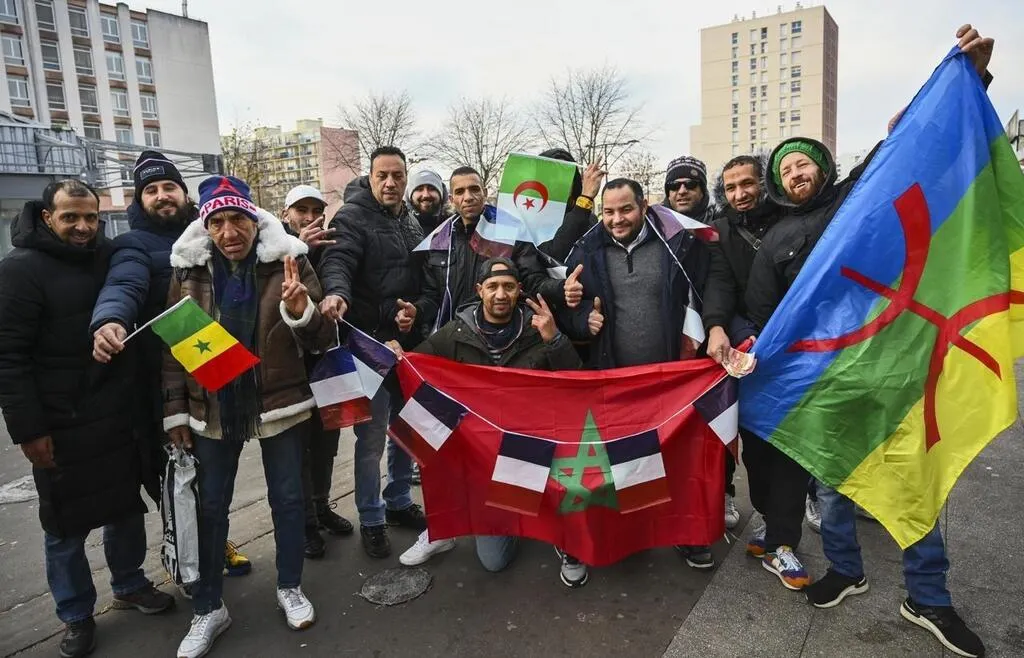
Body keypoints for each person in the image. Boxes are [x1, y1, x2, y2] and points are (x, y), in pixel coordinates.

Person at [744, 25, 992, 658]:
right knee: (831, 487)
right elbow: (764, 312)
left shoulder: (862, 195)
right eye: (785, 168)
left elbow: (917, 150)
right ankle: (847, 569)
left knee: (911, 478)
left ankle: (929, 598)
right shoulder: (773, 241)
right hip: (822, 381)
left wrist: (972, 77)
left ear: (824, 166)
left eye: (804, 162)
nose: (795, 172)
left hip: (888, 365)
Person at [0, 180, 174, 658]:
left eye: (90, 218)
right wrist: (28, 430)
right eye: (70, 217)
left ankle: (130, 583)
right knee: (65, 527)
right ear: (46, 217)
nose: (82, 227)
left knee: (124, 509)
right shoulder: (18, 271)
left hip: (118, 415)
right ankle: (75, 614)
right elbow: (8, 359)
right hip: (60, 424)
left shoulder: (108, 258)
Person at [165, 176, 336, 657]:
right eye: (216, 222)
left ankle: (289, 587)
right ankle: (208, 608)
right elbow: (176, 350)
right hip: (215, 408)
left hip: (279, 402)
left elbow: (321, 340)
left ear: (254, 219)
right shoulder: (187, 270)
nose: (228, 231)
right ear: (206, 227)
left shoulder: (290, 260)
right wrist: (176, 412)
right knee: (210, 507)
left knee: (287, 499)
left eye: (236, 218)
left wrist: (301, 312)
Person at [90, 151, 253, 584]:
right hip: (165, 381)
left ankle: (213, 543)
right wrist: (110, 319)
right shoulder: (133, 246)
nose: (162, 196)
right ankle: (187, 561)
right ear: (138, 199)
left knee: (210, 477)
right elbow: (123, 285)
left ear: (184, 193)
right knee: (176, 478)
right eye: (151, 189)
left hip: (214, 375)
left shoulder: (211, 232)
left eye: (169, 187)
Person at [388, 258, 582, 583]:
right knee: (494, 560)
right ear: (480, 291)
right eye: (492, 287)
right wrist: (399, 350)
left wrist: (554, 340)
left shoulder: (539, 328)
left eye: (508, 286)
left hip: (530, 449)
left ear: (519, 290)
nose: (500, 294)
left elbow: (577, 383)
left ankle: (564, 536)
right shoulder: (456, 331)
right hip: (481, 454)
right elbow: (417, 367)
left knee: (570, 460)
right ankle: (444, 526)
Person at [559, 177, 714, 572]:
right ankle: (581, 543)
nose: (616, 219)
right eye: (608, 211)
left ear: (644, 206)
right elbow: (560, 302)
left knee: (671, 461)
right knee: (596, 467)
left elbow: (705, 292)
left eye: (625, 209)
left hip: (666, 377)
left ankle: (683, 534)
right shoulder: (586, 248)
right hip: (608, 378)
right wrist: (579, 316)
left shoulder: (675, 244)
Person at [703, 153, 811, 589]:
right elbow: (721, 283)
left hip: (799, 350)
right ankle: (770, 524)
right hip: (750, 352)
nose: (740, 194)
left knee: (789, 450)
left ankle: (784, 542)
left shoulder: (794, 216)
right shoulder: (723, 229)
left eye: (747, 184)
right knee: (757, 448)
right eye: (730, 188)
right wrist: (715, 327)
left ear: (764, 182)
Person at [317, 146, 427, 558]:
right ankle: (372, 516)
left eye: (398, 175)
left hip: (405, 345)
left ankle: (398, 501)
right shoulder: (351, 216)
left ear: (406, 176)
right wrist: (336, 293)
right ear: (370, 175)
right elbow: (338, 261)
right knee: (371, 438)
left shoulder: (411, 220)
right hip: (367, 346)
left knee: (407, 432)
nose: (391, 183)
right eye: (383, 175)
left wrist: (413, 314)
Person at [280, 184, 354, 560]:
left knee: (327, 442)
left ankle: (322, 506)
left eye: (315, 210)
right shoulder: (278, 248)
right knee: (299, 450)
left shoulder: (335, 243)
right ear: (286, 214)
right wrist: (299, 245)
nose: (309, 217)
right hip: (293, 367)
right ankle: (306, 523)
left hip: (331, 357)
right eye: (301, 210)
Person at [404, 166, 566, 335]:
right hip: (452, 336)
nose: (468, 197)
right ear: (451, 199)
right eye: (460, 192)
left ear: (485, 192)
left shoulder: (511, 231)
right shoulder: (438, 240)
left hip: (502, 338)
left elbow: (533, 280)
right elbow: (432, 296)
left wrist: (561, 287)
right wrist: (418, 311)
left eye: (474, 189)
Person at [535, 148, 602, 262]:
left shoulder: (589, 219)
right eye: (552, 177)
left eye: (565, 177)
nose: (558, 184)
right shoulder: (529, 220)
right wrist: (584, 201)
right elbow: (554, 256)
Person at [663, 155, 716, 223]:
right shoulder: (653, 224)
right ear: (668, 194)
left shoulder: (724, 225)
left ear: (703, 192)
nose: (682, 191)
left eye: (690, 184)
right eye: (674, 185)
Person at [405, 168, 448, 233]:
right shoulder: (398, 227)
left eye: (432, 189)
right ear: (410, 196)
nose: (426, 195)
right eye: (419, 189)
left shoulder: (455, 225)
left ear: (441, 194)